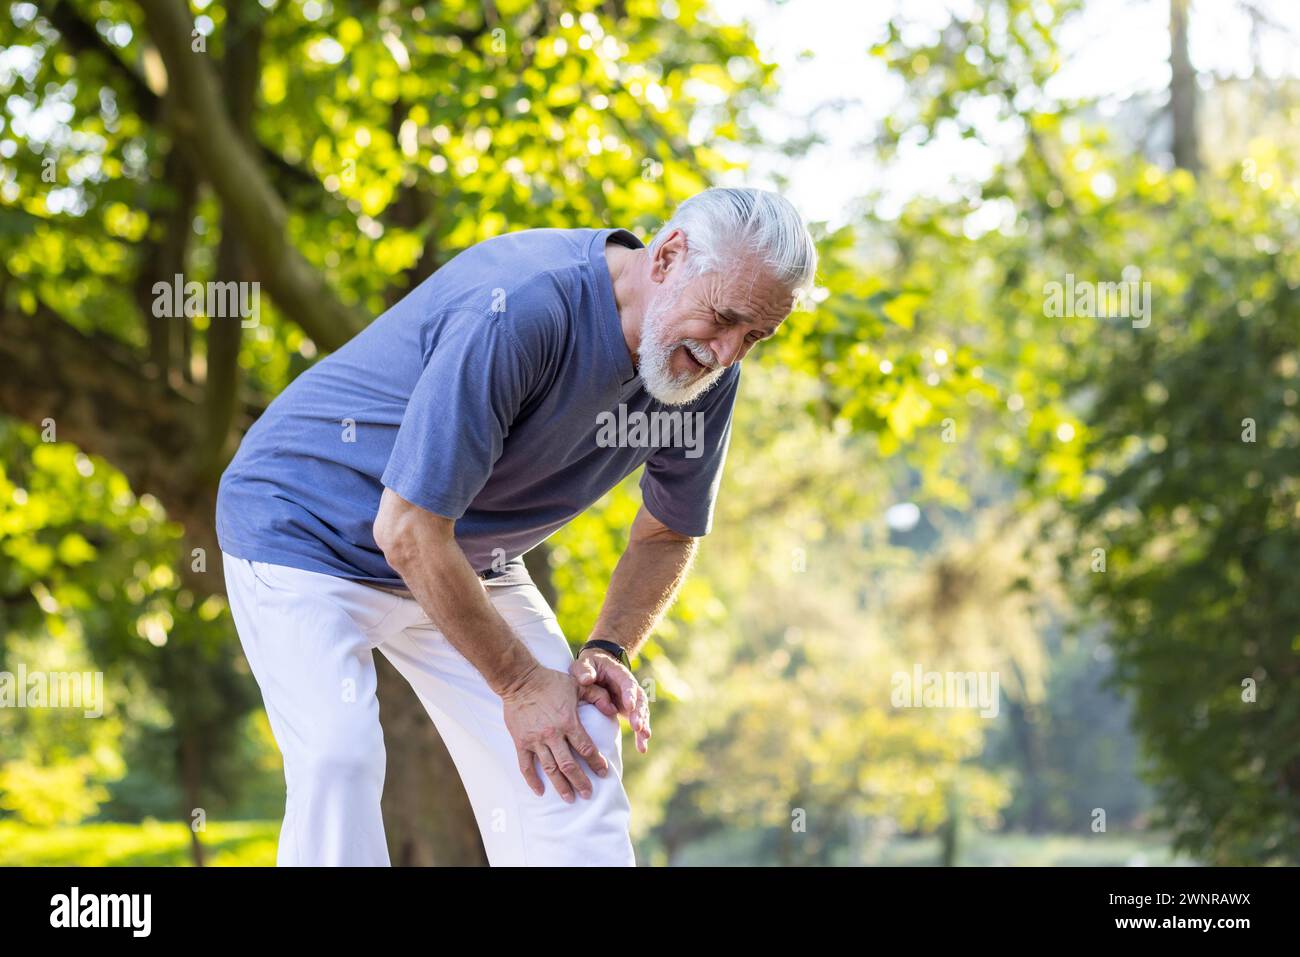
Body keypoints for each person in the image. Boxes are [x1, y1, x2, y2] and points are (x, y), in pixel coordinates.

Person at [215, 187, 818, 866]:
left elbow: (666, 533)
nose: (727, 353)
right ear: (668, 255)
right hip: (307, 531)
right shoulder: (524, 305)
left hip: (463, 557)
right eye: (725, 318)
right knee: (339, 757)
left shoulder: (702, 377)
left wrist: (610, 648)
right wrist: (522, 683)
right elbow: (408, 528)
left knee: (581, 730)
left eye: (755, 336)